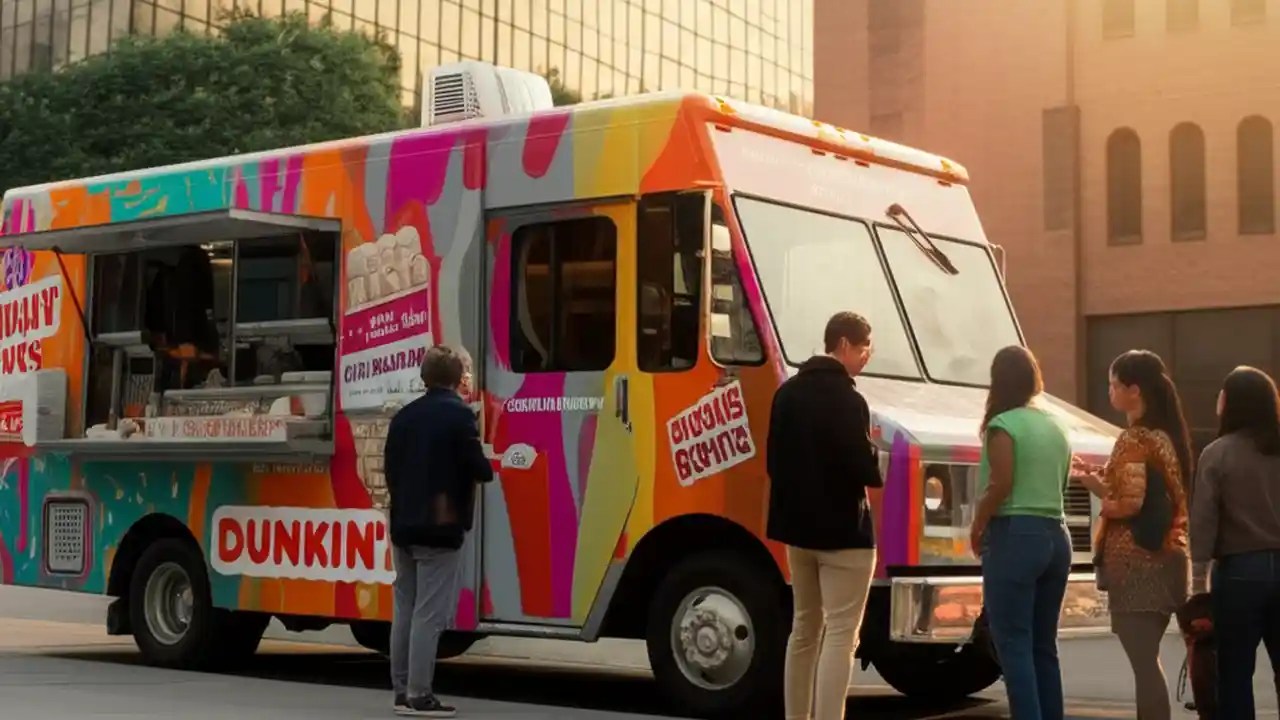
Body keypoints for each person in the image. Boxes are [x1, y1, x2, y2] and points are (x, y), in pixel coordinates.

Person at [766, 311, 882, 720]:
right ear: (845, 345)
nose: (868, 356)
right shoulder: (851, 401)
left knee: (804, 631)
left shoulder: (787, 393)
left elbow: (773, 464)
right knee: (840, 636)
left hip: (797, 533)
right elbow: (866, 471)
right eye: (866, 348)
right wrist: (875, 451)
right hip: (844, 536)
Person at [1073, 350, 1191, 720]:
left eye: (1113, 385)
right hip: (1169, 558)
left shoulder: (1133, 438)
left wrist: (1098, 490)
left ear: (1133, 390)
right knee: (1147, 659)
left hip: (1136, 563)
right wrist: (1105, 476)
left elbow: (1129, 503)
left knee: (1144, 665)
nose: (1109, 392)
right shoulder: (1165, 436)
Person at [385, 345, 493, 718]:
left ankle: (401, 690)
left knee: (405, 607)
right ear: (455, 378)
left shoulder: (404, 417)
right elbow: (480, 469)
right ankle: (420, 695)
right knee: (429, 614)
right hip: (440, 529)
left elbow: (391, 471)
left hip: (403, 524)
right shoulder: (460, 416)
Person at [968, 346, 1073, 720]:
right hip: (1057, 536)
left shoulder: (1003, 426)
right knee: (1044, 646)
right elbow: (1061, 483)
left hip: (1015, 534)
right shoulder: (1056, 424)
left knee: (1013, 643)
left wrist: (978, 523)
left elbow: (1001, 484)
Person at [1190, 366, 1280, 718]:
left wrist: (1198, 583)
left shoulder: (1218, 452)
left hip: (1240, 570)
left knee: (1235, 674)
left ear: (1230, 402)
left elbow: (1204, 521)